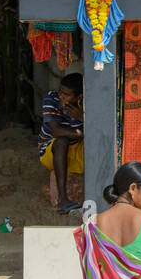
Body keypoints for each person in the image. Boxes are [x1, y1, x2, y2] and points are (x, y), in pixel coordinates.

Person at [38, 73, 84, 213]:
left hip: (77, 151)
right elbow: (56, 131)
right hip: (50, 152)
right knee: (62, 141)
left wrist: (82, 117)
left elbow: (100, 131)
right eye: (60, 92)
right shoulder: (51, 99)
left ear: (79, 97)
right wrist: (82, 132)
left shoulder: (89, 102)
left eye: (67, 94)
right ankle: (63, 199)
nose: (61, 96)